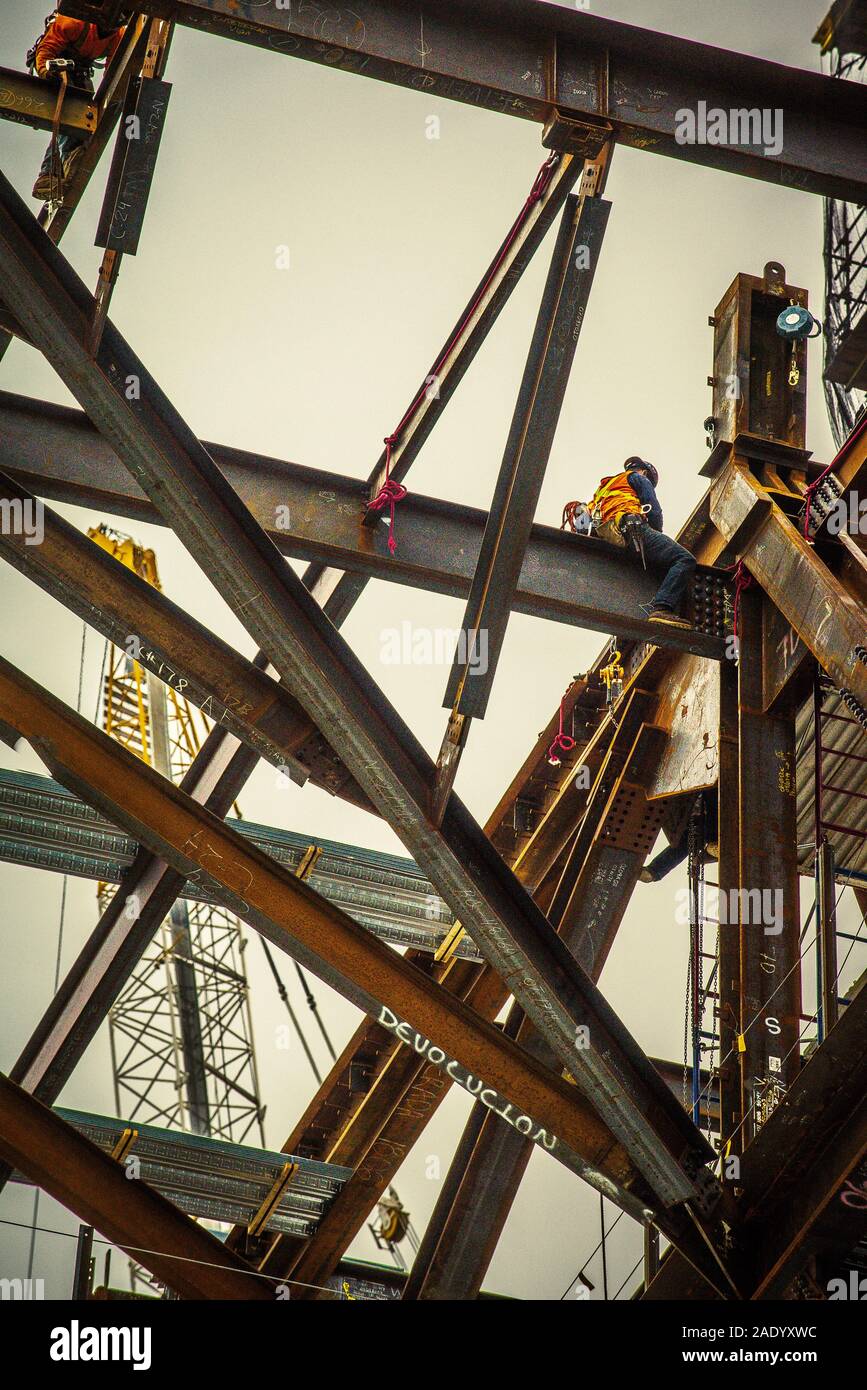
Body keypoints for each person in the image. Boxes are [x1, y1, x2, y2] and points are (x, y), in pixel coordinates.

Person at [29, 11, 126, 201]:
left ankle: (60, 169)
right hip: (58, 66)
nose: (109, 29)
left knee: (84, 121)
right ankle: (52, 172)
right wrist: (46, 72)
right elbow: (46, 50)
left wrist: (108, 101)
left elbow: (112, 72)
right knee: (70, 113)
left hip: (79, 71)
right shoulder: (75, 23)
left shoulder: (118, 36)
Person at [590, 456, 696, 628]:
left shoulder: (604, 488)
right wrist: (656, 534)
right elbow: (653, 510)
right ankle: (662, 608)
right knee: (684, 559)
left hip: (611, 534)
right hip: (633, 528)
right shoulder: (637, 478)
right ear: (645, 472)